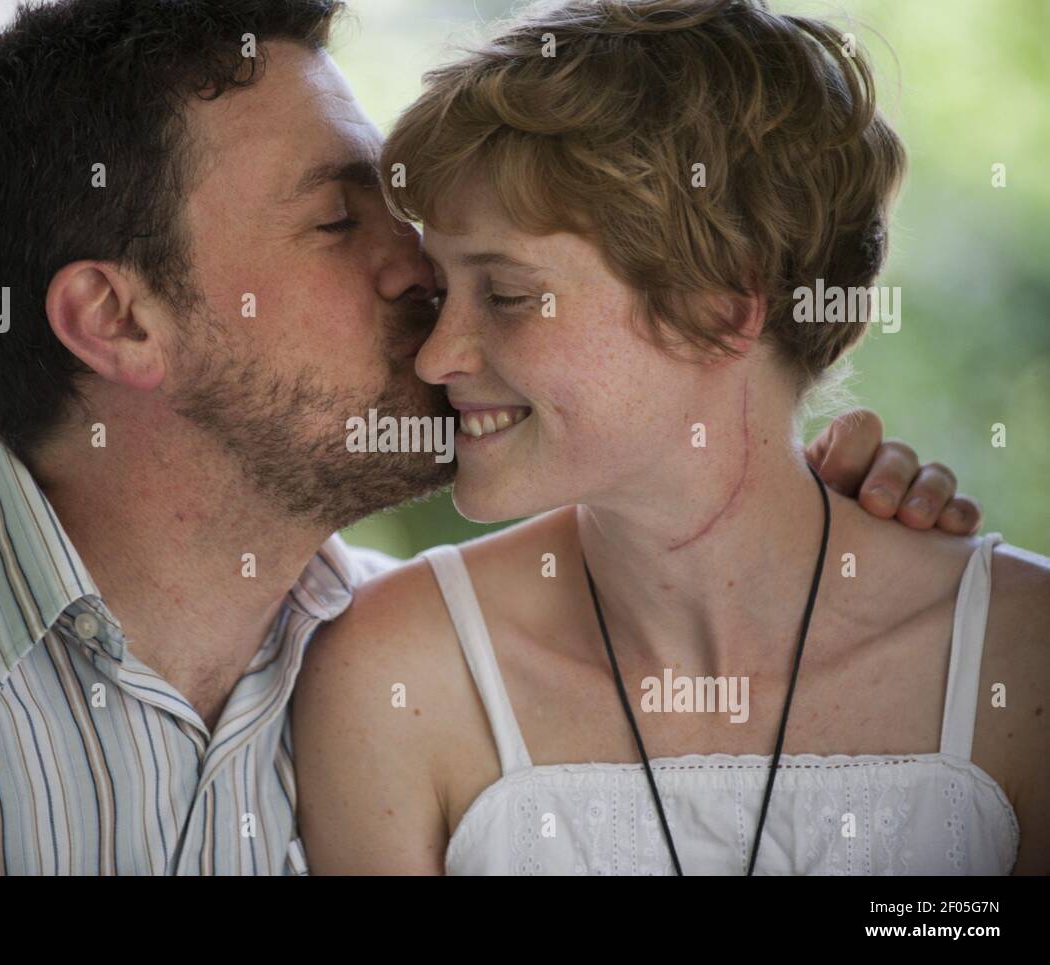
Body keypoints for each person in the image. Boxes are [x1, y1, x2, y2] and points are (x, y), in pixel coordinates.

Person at [0, 0, 980, 876]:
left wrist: (797, 531)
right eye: (343, 224)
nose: (422, 281)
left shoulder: (404, 655)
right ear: (120, 319)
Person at [292, 0, 1048, 875]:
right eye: (439, 291)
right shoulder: (393, 674)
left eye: (504, 295)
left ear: (722, 309)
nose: (437, 353)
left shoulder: (1021, 656)